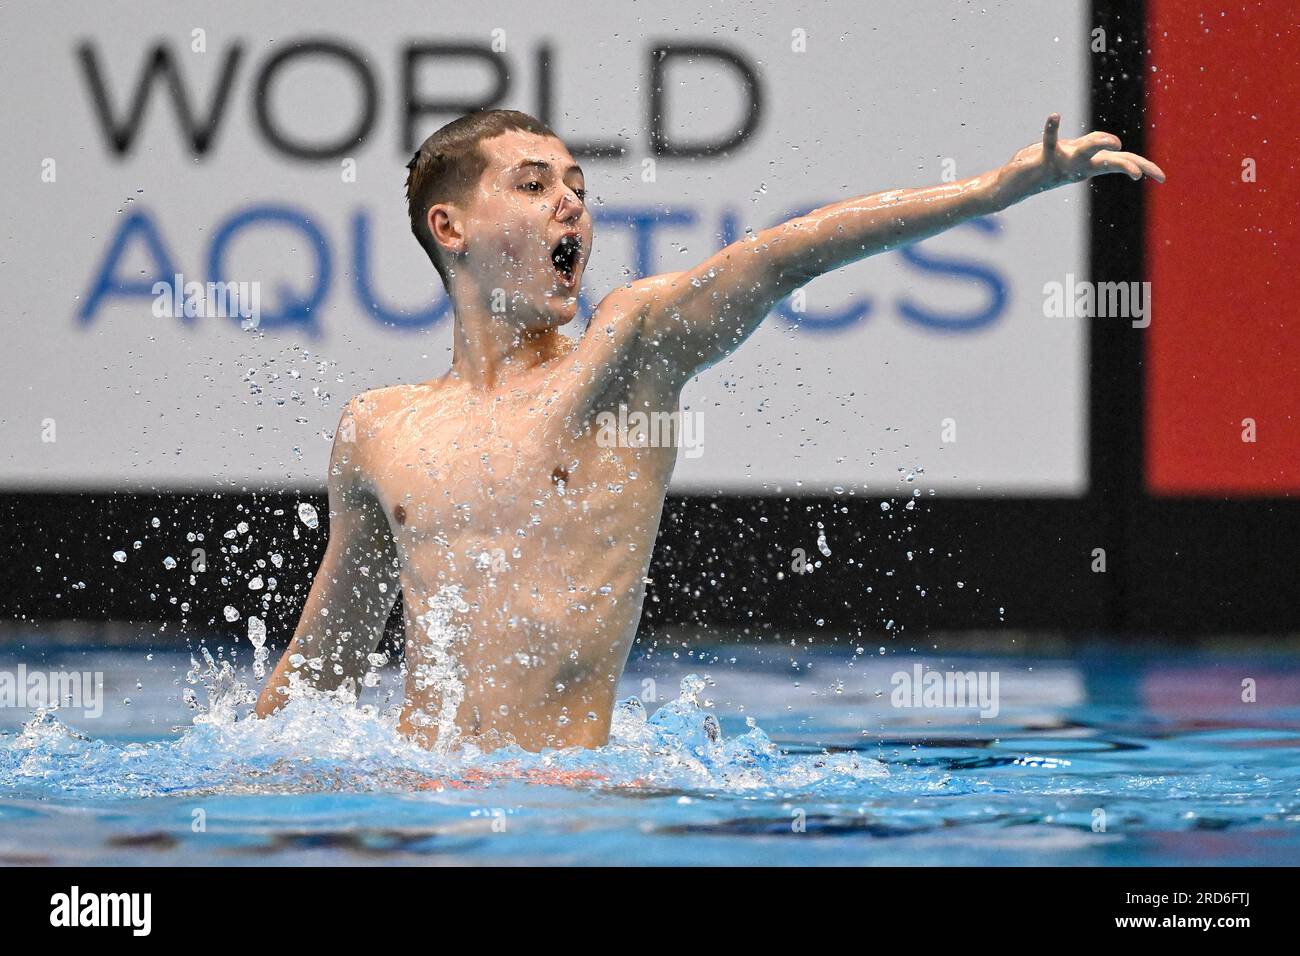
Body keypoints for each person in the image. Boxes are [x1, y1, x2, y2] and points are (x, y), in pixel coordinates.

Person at [254, 109, 1164, 751]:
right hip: (418, 818)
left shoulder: (621, 360)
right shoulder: (379, 427)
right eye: (532, 186)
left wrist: (989, 192)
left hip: (570, 814)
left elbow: (779, 256)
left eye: (577, 186)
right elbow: (321, 673)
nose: (570, 203)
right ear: (447, 226)